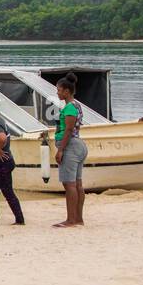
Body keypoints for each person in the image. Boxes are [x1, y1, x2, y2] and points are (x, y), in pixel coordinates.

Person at [52, 74, 86, 227]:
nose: (57, 93)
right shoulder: (76, 104)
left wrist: (60, 149)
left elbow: (69, 129)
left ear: (66, 91)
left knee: (69, 184)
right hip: (77, 145)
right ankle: (78, 218)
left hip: (70, 145)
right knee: (77, 183)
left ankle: (71, 219)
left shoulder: (70, 107)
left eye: (59, 90)